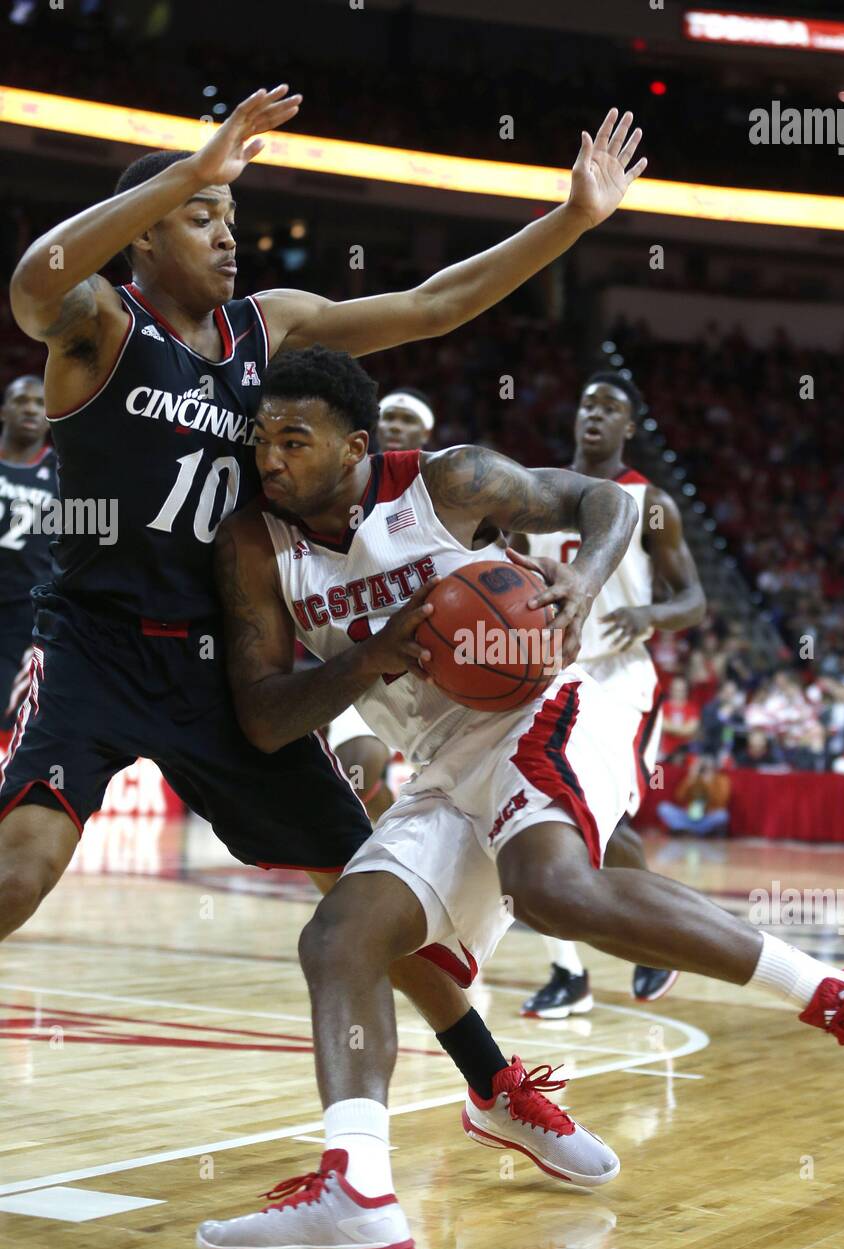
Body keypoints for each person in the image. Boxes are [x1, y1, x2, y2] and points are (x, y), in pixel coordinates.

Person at [3, 89, 645, 1184]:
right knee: (22, 869)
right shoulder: (100, 325)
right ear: (146, 232)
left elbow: (434, 304)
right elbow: (33, 285)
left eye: (227, 216)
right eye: (202, 216)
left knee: (360, 892)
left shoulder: (271, 327)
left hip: (222, 661)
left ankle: (497, 1086)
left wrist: (572, 220)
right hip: (96, 645)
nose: (227, 231)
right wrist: (188, 165)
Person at [199, 348, 844, 1249]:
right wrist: (368, 658)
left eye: (292, 440)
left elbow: (612, 504)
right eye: (260, 440)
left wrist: (585, 582)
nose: (269, 459)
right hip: (440, 762)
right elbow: (266, 717)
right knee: (339, 939)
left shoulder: (448, 480)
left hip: (543, 707)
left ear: (354, 447)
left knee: (552, 888)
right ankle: (358, 1191)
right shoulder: (254, 544)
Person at [513, 372, 707, 1015]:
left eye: (612, 408)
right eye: (587, 403)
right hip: (546, 673)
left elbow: (693, 600)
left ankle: (656, 939)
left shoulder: (651, 503)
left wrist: (650, 617)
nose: (595, 414)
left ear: (629, 428)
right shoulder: (533, 493)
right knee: (521, 813)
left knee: (608, 817)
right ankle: (568, 974)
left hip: (619, 677)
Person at [327, 388, 437, 820]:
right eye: (387, 418)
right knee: (355, 769)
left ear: (426, 432)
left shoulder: (442, 483)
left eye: (406, 420)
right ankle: (382, 830)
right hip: (369, 655)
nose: (394, 426)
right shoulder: (343, 489)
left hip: (439, 651)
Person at [0, 375, 55, 756]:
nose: (32, 409)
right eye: (22, 401)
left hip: (22, 618)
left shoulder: (63, 475)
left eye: (40, 402)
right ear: (5, 410)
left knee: (8, 710)